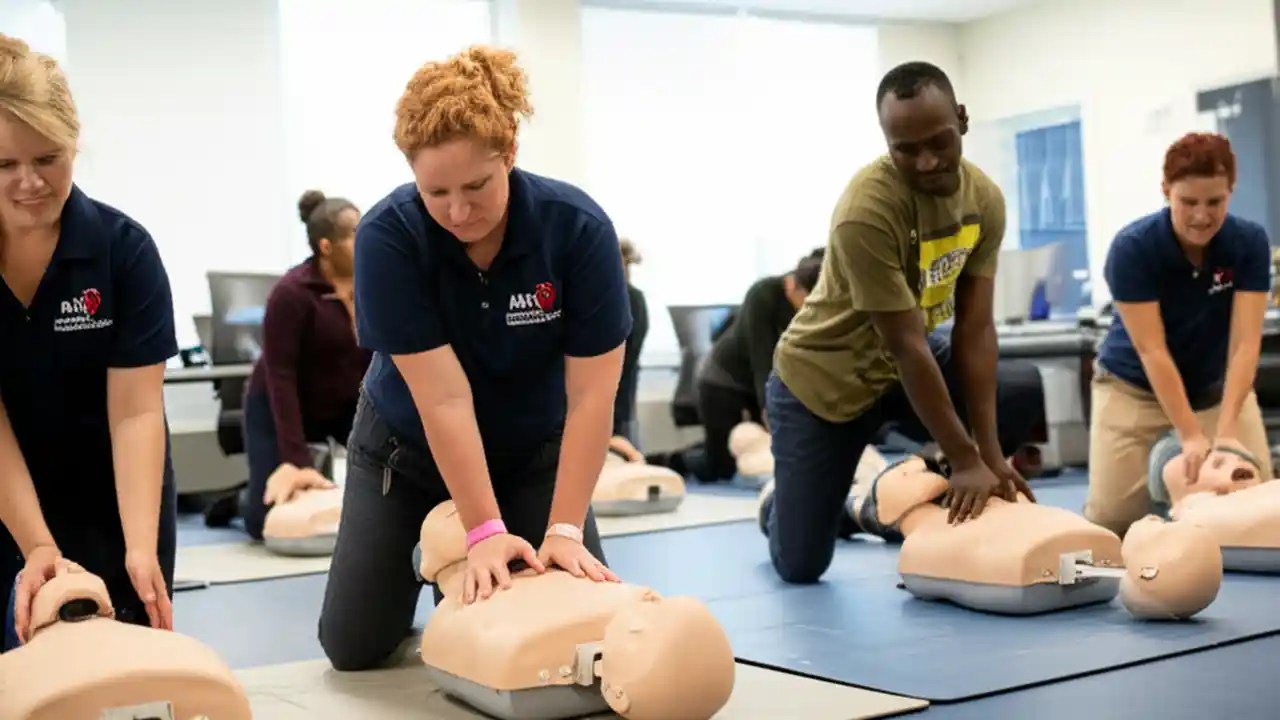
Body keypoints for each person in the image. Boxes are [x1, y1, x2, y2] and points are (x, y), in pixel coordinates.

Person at [316, 45, 632, 672]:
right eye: (436, 192)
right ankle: (435, 545)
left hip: (532, 449)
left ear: (509, 151)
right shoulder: (387, 239)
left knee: (576, 631)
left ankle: (483, 537)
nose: (459, 212)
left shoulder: (578, 230)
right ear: (410, 175)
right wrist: (481, 533)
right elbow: (443, 397)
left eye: (477, 185)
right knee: (354, 649)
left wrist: (564, 530)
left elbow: (593, 396)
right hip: (407, 453)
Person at [757, 61, 1043, 584]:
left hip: (897, 375)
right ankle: (791, 500)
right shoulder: (866, 211)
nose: (927, 161)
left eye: (939, 142)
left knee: (1019, 386)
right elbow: (906, 344)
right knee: (801, 566)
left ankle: (921, 481)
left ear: (962, 120)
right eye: (905, 150)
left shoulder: (984, 202)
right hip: (823, 385)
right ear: (887, 141)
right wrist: (962, 457)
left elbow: (975, 330)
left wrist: (990, 454)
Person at [0, 34, 177, 650]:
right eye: (3, 165)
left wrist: (138, 546)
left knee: (128, 667)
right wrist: (38, 546)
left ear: (74, 144)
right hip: (6, 489)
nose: (28, 182)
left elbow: (134, 412)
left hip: (116, 493)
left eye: (48, 158)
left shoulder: (124, 251)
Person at [1084, 131, 1273, 537]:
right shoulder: (1133, 248)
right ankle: (1166, 491)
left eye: (1214, 202)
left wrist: (1223, 434)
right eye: (1188, 202)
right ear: (1166, 190)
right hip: (1132, 386)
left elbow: (1244, 345)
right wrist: (1189, 434)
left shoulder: (1249, 243)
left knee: (1257, 499)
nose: (1201, 216)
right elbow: (1152, 350)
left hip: (1213, 387)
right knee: (1112, 521)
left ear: (1231, 193)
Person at [236, 190, 371, 540]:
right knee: (262, 520)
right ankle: (240, 499)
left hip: (341, 401)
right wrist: (296, 460)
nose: (366, 240)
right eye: (355, 234)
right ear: (326, 246)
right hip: (280, 403)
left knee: (387, 467)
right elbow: (281, 377)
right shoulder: (292, 293)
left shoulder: (372, 285)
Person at [650, 250, 824, 482]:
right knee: (721, 466)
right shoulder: (764, 293)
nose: (806, 309)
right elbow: (762, 359)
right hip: (722, 383)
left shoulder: (811, 305)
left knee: (756, 449)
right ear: (794, 285)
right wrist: (772, 411)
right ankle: (669, 461)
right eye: (807, 301)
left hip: (756, 384)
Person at [612, 237, 648, 444]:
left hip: (616, 400)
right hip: (618, 400)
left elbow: (624, 361)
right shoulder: (631, 298)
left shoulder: (629, 299)